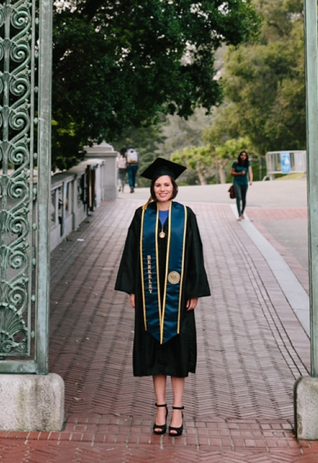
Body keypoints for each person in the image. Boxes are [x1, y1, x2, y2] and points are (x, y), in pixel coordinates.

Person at [115, 157, 210, 437]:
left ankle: (178, 410)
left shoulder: (186, 214)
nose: (162, 189)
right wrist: (132, 288)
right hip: (149, 298)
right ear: (152, 188)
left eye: (166, 184)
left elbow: (195, 252)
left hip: (179, 299)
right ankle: (160, 408)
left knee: (177, 354)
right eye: (158, 184)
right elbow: (131, 253)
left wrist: (194, 291)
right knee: (156, 355)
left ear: (174, 186)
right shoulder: (141, 215)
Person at [231, 149, 253, 220]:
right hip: (236, 182)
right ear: (239, 156)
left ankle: (242, 212)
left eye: (245, 156)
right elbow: (232, 173)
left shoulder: (247, 164)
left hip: (244, 183)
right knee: (238, 197)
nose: (243, 157)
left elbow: (250, 172)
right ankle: (239, 214)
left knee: (243, 198)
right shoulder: (235, 163)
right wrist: (239, 173)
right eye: (242, 155)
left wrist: (251, 180)